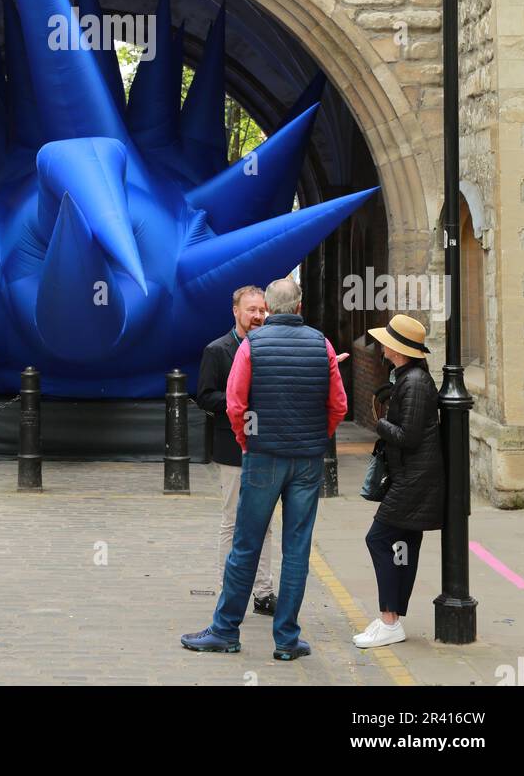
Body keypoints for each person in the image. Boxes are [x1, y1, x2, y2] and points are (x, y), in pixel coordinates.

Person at [181, 275, 347, 660]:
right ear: (300, 307)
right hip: (306, 462)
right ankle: (287, 639)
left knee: (246, 544)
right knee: (296, 549)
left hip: (262, 458)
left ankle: (225, 631)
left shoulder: (252, 345)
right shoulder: (321, 345)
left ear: (269, 309)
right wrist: (314, 439)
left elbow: (236, 405)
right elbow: (338, 405)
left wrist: (245, 442)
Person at [354, 313, 444, 649]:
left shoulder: (415, 382)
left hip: (415, 481)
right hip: (413, 478)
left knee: (379, 540)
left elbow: (408, 436)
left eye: (387, 342)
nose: (382, 346)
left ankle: (389, 620)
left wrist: (378, 424)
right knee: (402, 547)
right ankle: (393, 619)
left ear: (399, 349)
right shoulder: (407, 377)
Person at [196, 285, 276, 614]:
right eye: (251, 310)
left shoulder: (270, 347)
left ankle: (263, 591)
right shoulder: (217, 350)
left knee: (266, 522)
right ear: (236, 312)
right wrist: (238, 405)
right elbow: (204, 395)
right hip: (232, 448)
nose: (257, 316)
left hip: (265, 447)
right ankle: (227, 588)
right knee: (232, 520)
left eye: (262, 310)